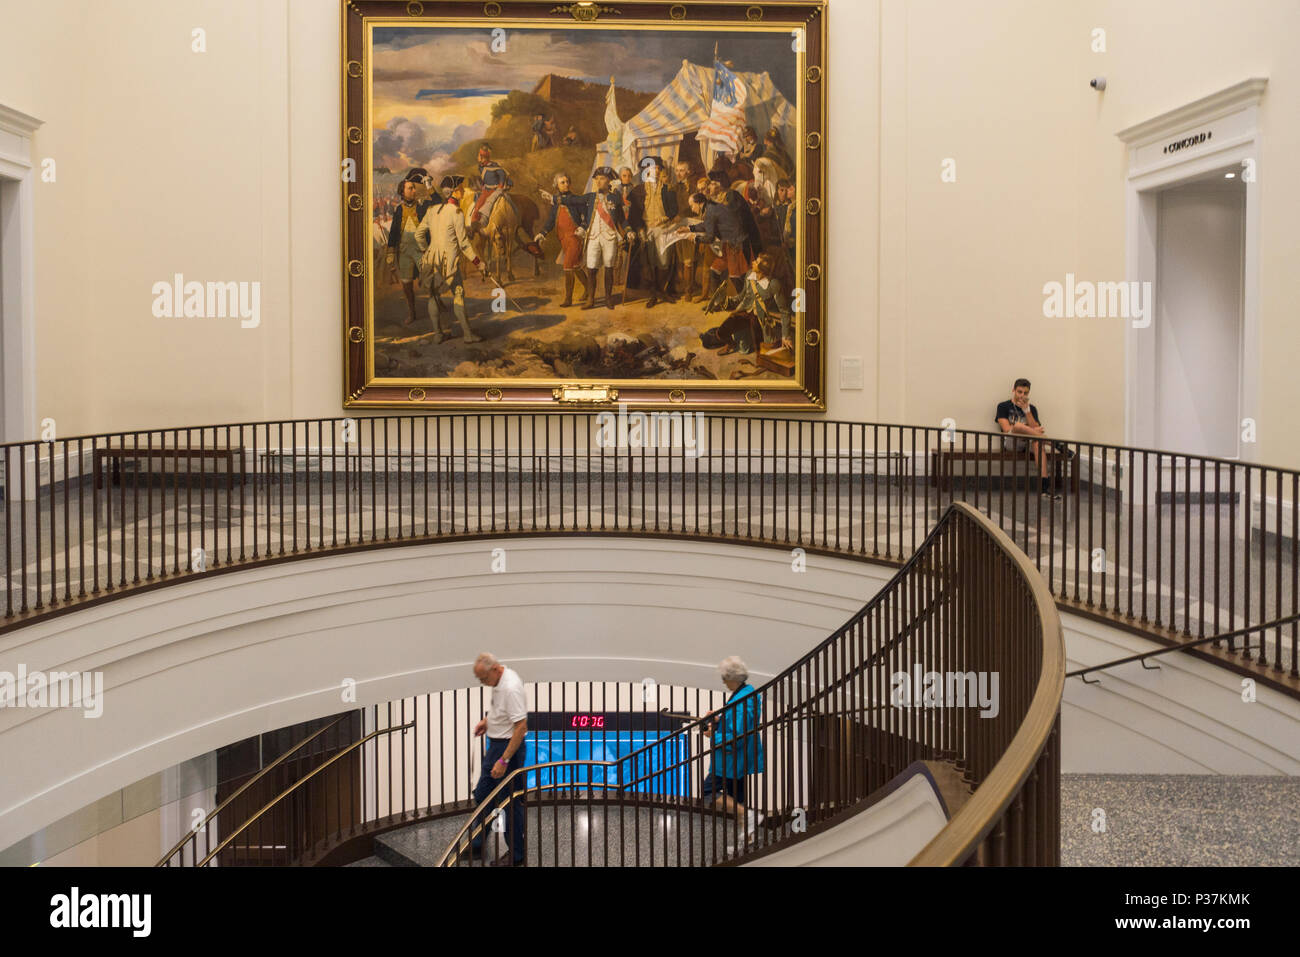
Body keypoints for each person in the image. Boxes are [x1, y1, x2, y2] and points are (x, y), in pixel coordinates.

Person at [468, 652, 528, 866]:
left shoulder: (510, 688)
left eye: (483, 678)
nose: (483, 683)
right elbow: (501, 712)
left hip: (507, 750)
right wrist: (488, 721)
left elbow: (521, 727)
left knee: (509, 802)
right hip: (496, 745)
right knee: (484, 793)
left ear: (494, 669)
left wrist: (503, 761)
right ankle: (476, 843)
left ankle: (517, 854)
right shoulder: (499, 680)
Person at [415, 174, 487, 343]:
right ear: (454, 191)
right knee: (459, 293)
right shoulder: (456, 212)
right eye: (461, 188)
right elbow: (463, 244)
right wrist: (478, 263)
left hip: (431, 260)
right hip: (449, 262)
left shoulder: (431, 211)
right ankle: (468, 335)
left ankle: (438, 334)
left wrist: (427, 251)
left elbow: (418, 235)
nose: (463, 190)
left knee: (432, 296)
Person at [702, 656, 765, 840]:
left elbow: (738, 735)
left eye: (724, 677)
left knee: (709, 792)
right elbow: (737, 724)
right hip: (737, 759)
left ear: (733, 678)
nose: (723, 681)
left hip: (731, 759)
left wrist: (713, 736)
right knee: (737, 798)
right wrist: (719, 719)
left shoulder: (742, 701)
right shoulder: (745, 693)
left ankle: (748, 816)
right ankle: (747, 840)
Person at [995, 378, 1063, 500]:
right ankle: (1053, 443)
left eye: (1025, 393)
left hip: (1029, 443)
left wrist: (1027, 411)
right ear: (1013, 390)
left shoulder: (1031, 409)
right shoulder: (1003, 406)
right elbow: (1007, 429)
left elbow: (1037, 428)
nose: (1022, 395)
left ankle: (1044, 488)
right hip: (1012, 442)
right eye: (1019, 392)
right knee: (1018, 426)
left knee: (1038, 442)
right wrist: (1028, 429)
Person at [578, 166, 635, 310]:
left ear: (609, 180)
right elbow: (574, 201)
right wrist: (554, 198)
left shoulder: (615, 198)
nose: (599, 181)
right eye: (597, 179)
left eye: (602, 178)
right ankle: (591, 299)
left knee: (609, 268)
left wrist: (628, 231)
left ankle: (608, 299)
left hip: (609, 237)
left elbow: (622, 219)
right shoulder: (591, 197)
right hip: (593, 237)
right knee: (591, 269)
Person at [385, 168, 435, 326]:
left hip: (421, 250)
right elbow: (393, 232)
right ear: (402, 191)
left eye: (414, 188)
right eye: (410, 188)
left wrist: (428, 184)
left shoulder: (422, 205)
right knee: (406, 284)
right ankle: (412, 312)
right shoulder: (398, 209)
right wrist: (391, 251)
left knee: (429, 280)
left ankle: (436, 306)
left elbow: (437, 202)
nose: (414, 190)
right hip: (404, 251)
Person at [534, 171, 590, 307]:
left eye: (567, 182)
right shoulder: (555, 203)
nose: (566, 184)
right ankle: (589, 288)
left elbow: (586, 217)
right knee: (575, 266)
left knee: (568, 266)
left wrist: (582, 228)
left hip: (575, 238)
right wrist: (542, 233)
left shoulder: (576, 200)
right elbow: (551, 221)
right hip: (563, 239)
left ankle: (568, 299)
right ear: (556, 185)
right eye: (562, 182)